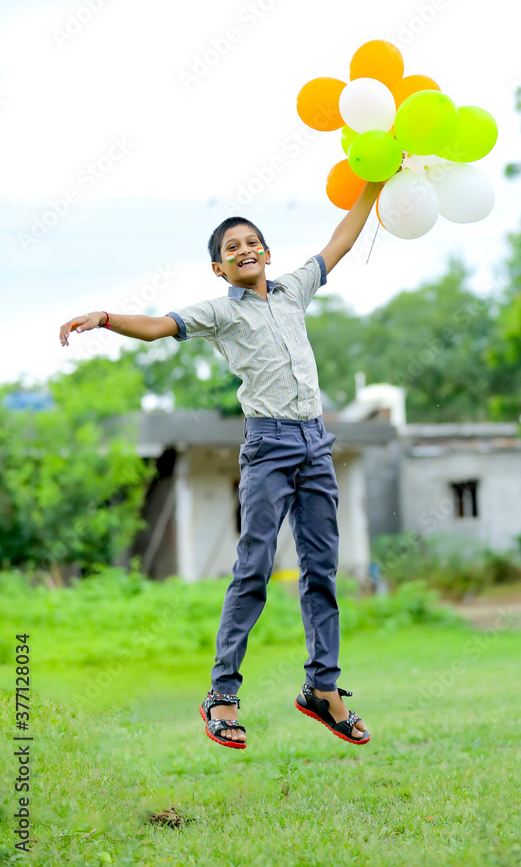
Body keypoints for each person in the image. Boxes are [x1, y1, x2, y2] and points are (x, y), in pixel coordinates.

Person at [59, 180, 384, 749]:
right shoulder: (219, 311)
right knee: (254, 566)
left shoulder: (293, 290)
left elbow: (341, 240)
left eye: (253, 242)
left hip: (316, 444)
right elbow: (159, 327)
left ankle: (322, 689)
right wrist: (106, 317)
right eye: (232, 248)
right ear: (218, 267)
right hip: (268, 447)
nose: (245, 250)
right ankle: (223, 694)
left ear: (267, 252)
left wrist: (374, 185)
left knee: (321, 572)